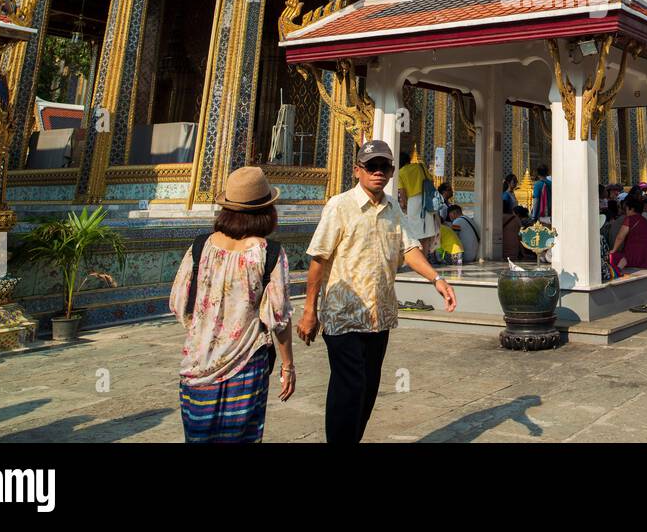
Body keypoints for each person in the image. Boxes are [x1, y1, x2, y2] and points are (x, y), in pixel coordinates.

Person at [299, 140, 458, 444]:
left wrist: (437, 279)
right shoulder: (339, 206)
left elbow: (409, 248)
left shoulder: (392, 207)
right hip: (342, 315)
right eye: (371, 166)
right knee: (350, 386)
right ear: (357, 170)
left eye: (383, 167)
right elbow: (318, 260)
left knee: (368, 389)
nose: (377, 172)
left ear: (391, 171)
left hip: (379, 315)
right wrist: (309, 311)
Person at [170, 166, 295, 443]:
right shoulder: (269, 253)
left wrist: (207, 329)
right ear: (267, 211)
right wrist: (288, 365)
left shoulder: (200, 246)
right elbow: (278, 318)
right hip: (246, 364)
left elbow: (179, 304)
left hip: (197, 365)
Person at [397, 149, 438, 258]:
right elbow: (431, 180)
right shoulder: (420, 167)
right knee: (426, 232)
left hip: (413, 202)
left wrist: (404, 206)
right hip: (426, 199)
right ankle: (424, 258)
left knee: (414, 233)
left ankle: (417, 259)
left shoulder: (400, 173)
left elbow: (402, 193)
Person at [608, 191, 647, 271]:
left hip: (633, 254)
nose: (625, 211)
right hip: (646, 255)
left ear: (631, 209)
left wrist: (613, 250)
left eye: (626, 209)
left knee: (612, 257)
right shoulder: (645, 220)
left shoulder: (629, 219)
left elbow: (620, 237)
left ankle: (617, 270)